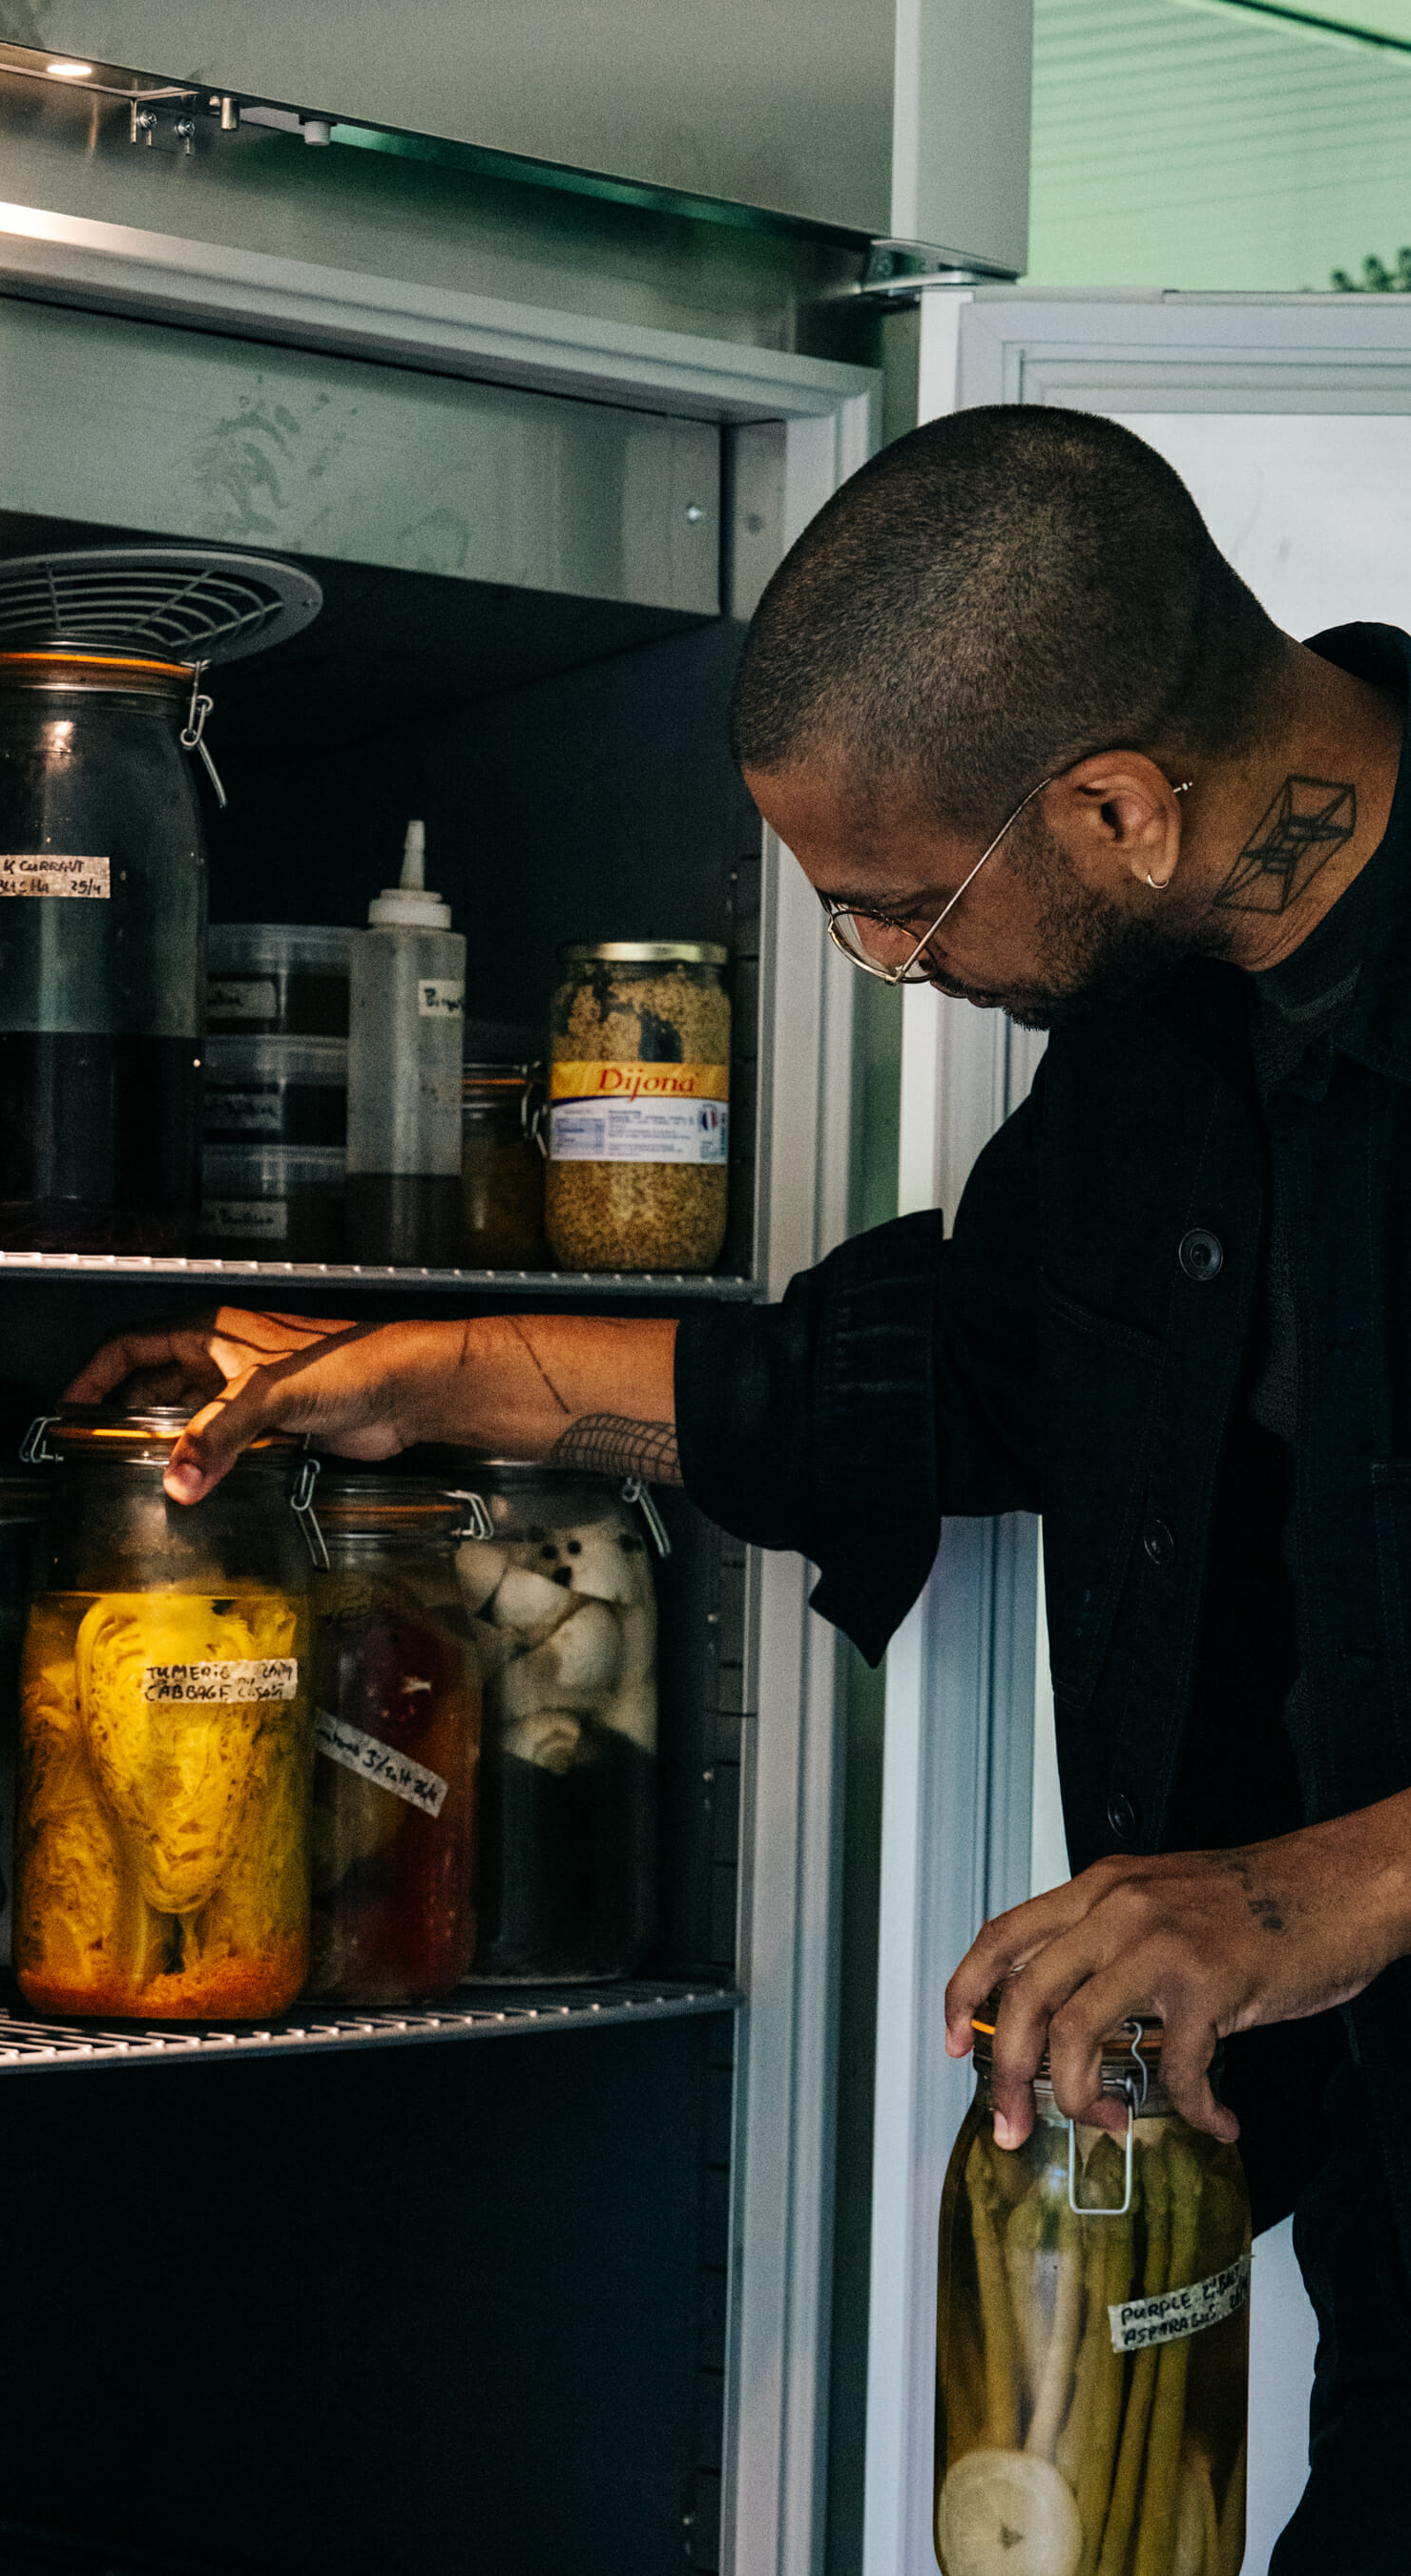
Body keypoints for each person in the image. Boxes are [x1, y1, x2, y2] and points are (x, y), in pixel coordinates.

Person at [69, 405, 1411, 2566]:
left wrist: (1297, 1895)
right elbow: (955, 1381)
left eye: (900, 913)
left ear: (1118, 807)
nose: (899, 969)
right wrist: (455, 1376)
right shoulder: (1172, 1051)